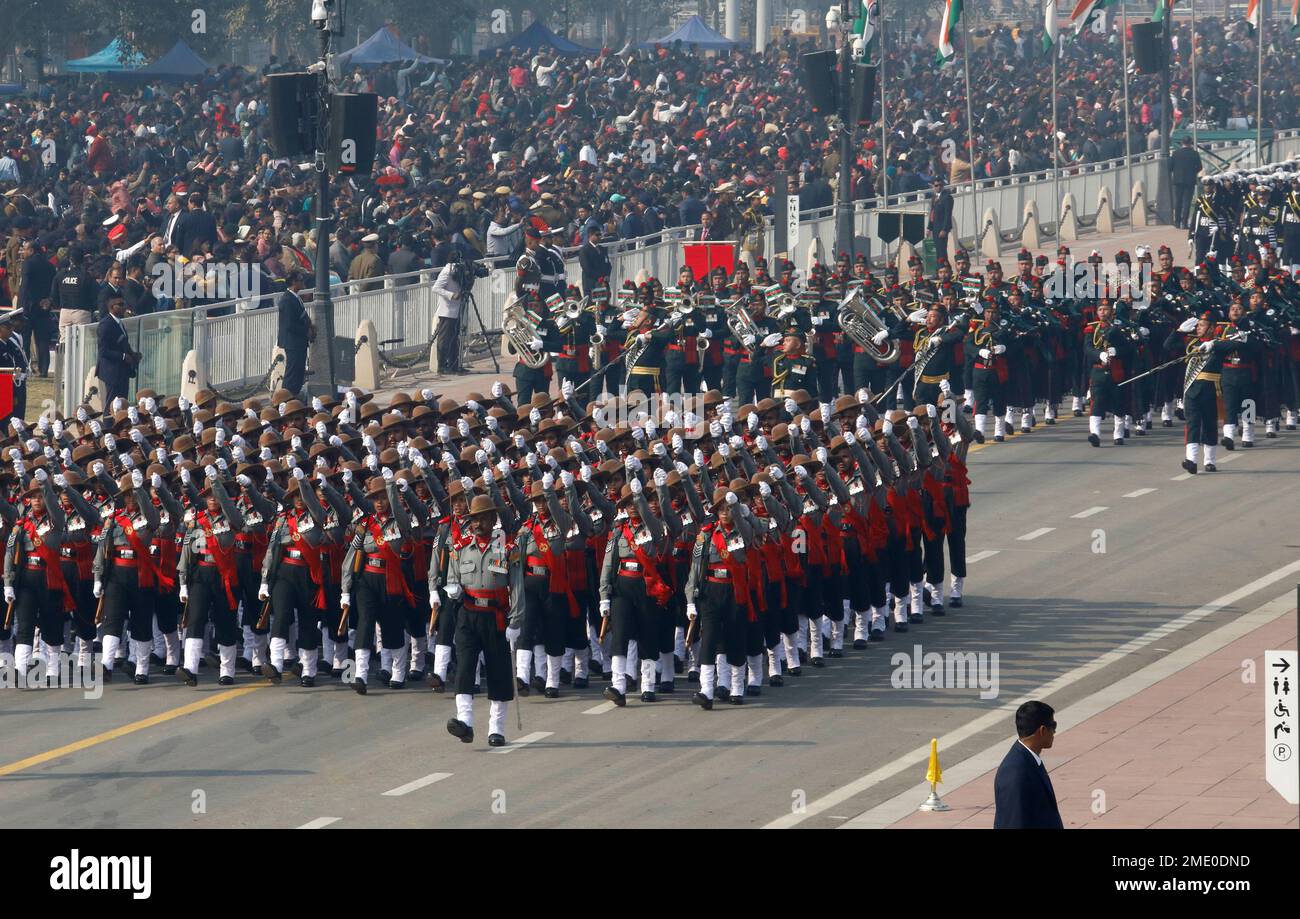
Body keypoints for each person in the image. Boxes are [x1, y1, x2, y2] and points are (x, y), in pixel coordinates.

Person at [444, 494, 524, 746]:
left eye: (483, 518)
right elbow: (452, 576)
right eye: (475, 519)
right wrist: (452, 588)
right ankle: (465, 722)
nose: (478, 523)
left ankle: (496, 728)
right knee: (465, 665)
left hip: (496, 615)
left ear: (493, 519)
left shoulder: (507, 549)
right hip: (468, 614)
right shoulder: (461, 548)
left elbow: (518, 588)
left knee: (498, 670)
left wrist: (515, 622)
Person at [993, 700, 1064, 829]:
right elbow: (1014, 823)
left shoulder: (1028, 759)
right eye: (1053, 726)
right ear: (1042, 730)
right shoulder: (1015, 772)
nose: (1054, 732)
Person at [95, 289, 140, 406]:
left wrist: (133, 354)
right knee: (112, 406)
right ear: (111, 307)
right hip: (111, 373)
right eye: (120, 305)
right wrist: (124, 356)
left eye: (124, 303)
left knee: (123, 405)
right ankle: (109, 424)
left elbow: (123, 344)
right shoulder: (106, 325)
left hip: (122, 372)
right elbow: (103, 351)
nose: (124, 307)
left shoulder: (119, 323)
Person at [276, 268, 313, 396]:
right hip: (293, 342)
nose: (303, 283)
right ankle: (286, 397)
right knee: (292, 372)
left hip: (299, 341)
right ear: (293, 282)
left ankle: (294, 395)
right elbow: (289, 325)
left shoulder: (296, 297)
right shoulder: (287, 300)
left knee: (298, 371)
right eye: (300, 280)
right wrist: (306, 331)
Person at [1170, 137, 1203, 230]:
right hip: (1190, 180)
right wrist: (1192, 171)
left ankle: (1177, 222)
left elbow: (1170, 167)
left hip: (1178, 180)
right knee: (1187, 202)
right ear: (1191, 143)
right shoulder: (1194, 154)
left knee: (1178, 201)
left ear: (1182, 143)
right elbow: (1200, 167)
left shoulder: (1176, 153)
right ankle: (1184, 223)